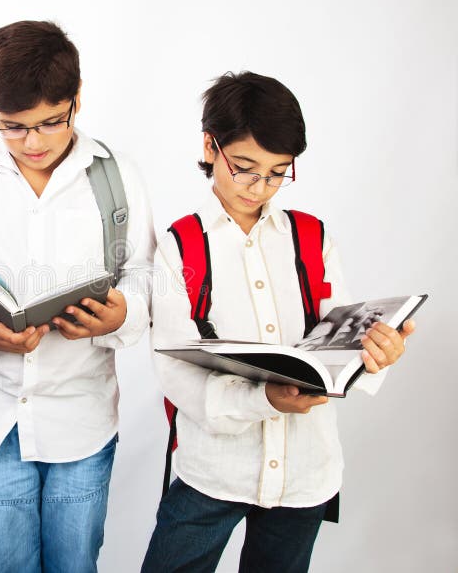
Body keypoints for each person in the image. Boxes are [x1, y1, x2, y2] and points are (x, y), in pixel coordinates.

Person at [142, 71, 415, 572]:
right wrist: (262, 399)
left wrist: (376, 353)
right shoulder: (178, 247)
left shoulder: (312, 237)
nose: (259, 186)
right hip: (212, 471)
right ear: (210, 146)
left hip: (304, 472)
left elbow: (338, 340)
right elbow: (176, 372)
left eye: (277, 172)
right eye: (245, 168)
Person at [0, 20, 155, 572]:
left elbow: (145, 274)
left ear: (78, 99)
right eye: (12, 126)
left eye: (51, 122)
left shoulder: (117, 176)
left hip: (83, 419)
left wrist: (120, 314)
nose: (33, 142)